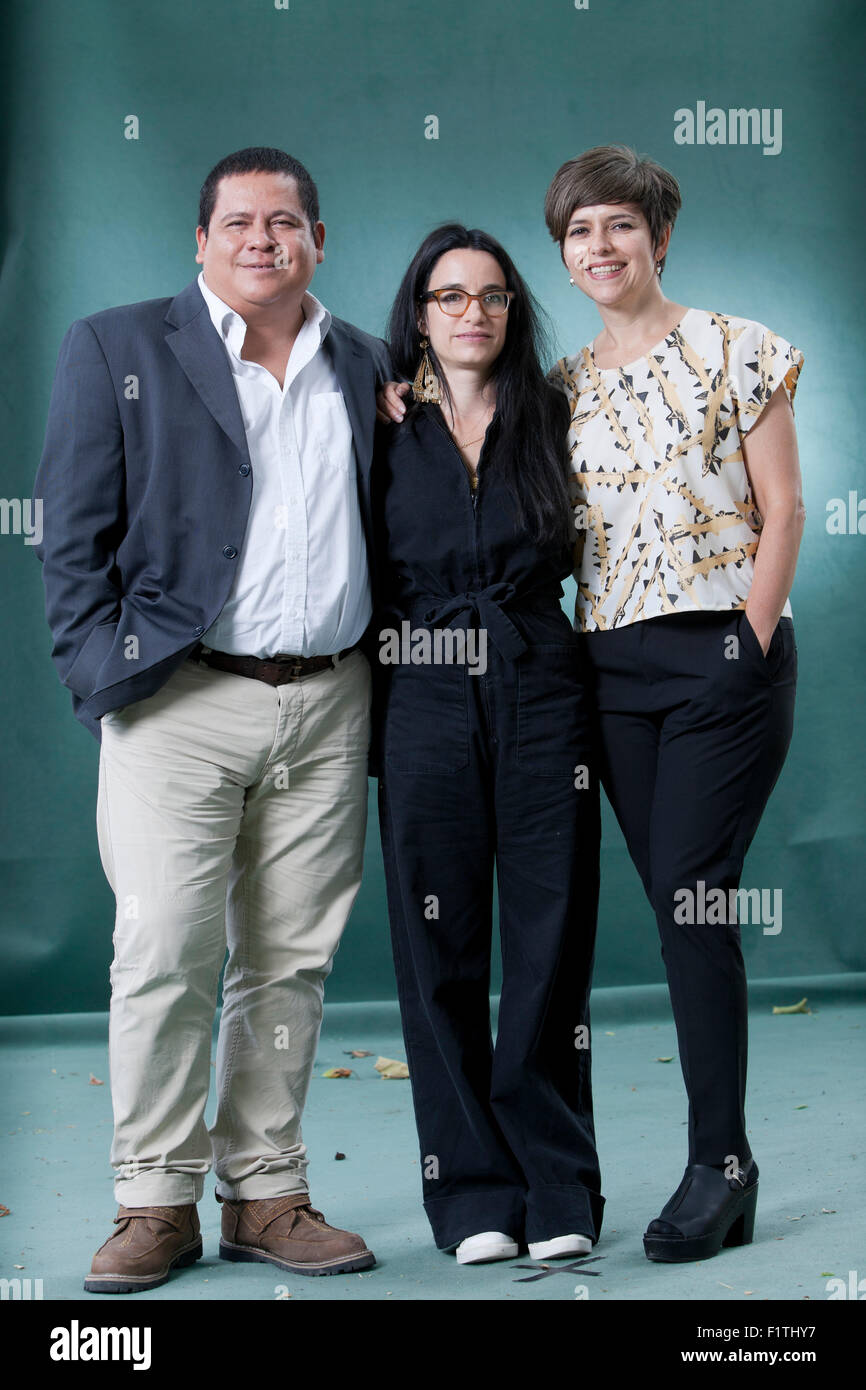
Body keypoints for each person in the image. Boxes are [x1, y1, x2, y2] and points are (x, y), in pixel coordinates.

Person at [34, 146, 392, 1292]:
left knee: (288, 961)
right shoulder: (117, 345)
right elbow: (71, 536)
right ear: (199, 240)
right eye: (236, 221)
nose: (260, 239)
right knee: (163, 953)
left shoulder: (371, 366)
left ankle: (267, 1195)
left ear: (317, 242)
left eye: (285, 221)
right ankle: (153, 1201)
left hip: (330, 699)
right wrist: (104, 679)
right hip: (175, 697)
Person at [543, 144, 804, 1261]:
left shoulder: (734, 348)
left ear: (656, 237)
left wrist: (744, 643)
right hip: (609, 672)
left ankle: (720, 1167)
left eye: (617, 226)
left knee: (695, 899)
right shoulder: (561, 386)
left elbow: (784, 509)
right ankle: (718, 1160)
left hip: (718, 659)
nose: (599, 249)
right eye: (577, 233)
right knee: (674, 911)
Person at [371, 224, 604, 1264]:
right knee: (439, 948)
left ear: (512, 311)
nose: (473, 313)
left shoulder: (559, 412)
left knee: (549, 942)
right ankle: (470, 1195)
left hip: (541, 685)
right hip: (418, 691)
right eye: (450, 295)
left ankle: (556, 1185)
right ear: (418, 315)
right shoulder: (374, 422)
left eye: (494, 296)